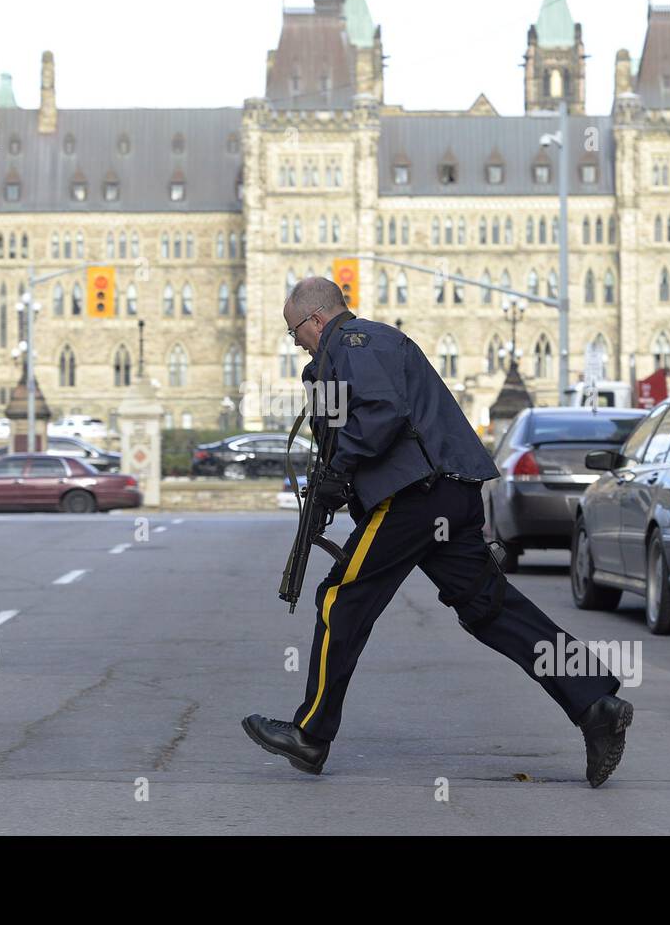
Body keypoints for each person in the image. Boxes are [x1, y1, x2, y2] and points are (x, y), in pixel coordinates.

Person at [242, 277, 633, 787]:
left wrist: (340, 472)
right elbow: (360, 425)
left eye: (296, 331)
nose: (296, 342)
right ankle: (595, 703)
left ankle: (311, 734)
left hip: (413, 498)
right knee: (489, 609)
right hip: (443, 495)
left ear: (317, 318)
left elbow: (380, 415)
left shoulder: (356, 342)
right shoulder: (357, 350)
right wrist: (331, 485)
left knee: (341, 598)